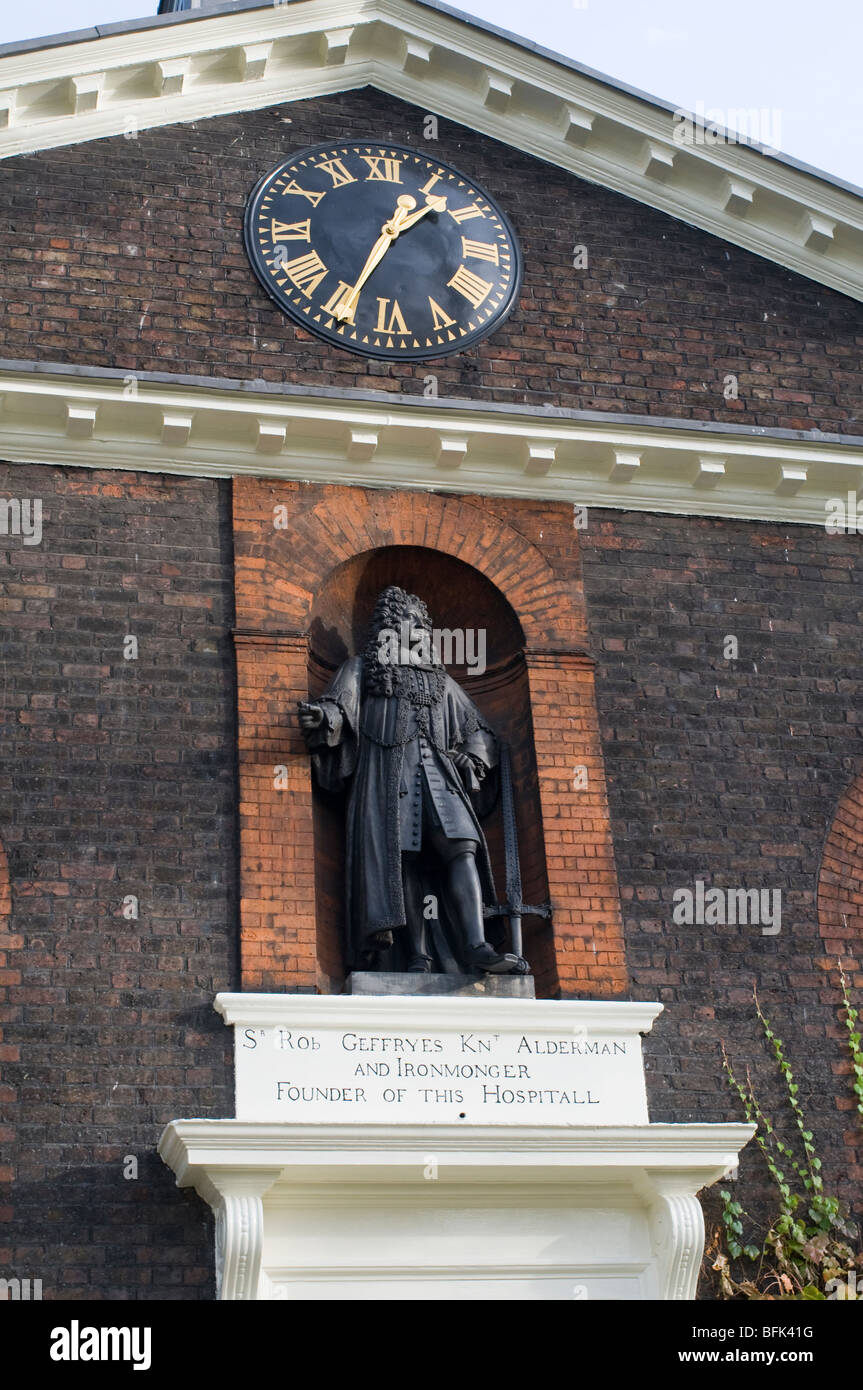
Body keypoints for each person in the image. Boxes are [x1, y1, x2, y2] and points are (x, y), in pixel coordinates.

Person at [298, 585, 528, 976]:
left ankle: (477, 946)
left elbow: (479, 731)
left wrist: (471, 758)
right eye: (413, 621)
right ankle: (416, 956)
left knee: (462, 846)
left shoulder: (442, 683)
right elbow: (339, 707)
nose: (422, 629)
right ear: (391, 626)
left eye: (426, 624)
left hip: (440, 777)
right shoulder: (362, 669)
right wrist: (325, 719)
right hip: (386, 778)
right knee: (400, 859)